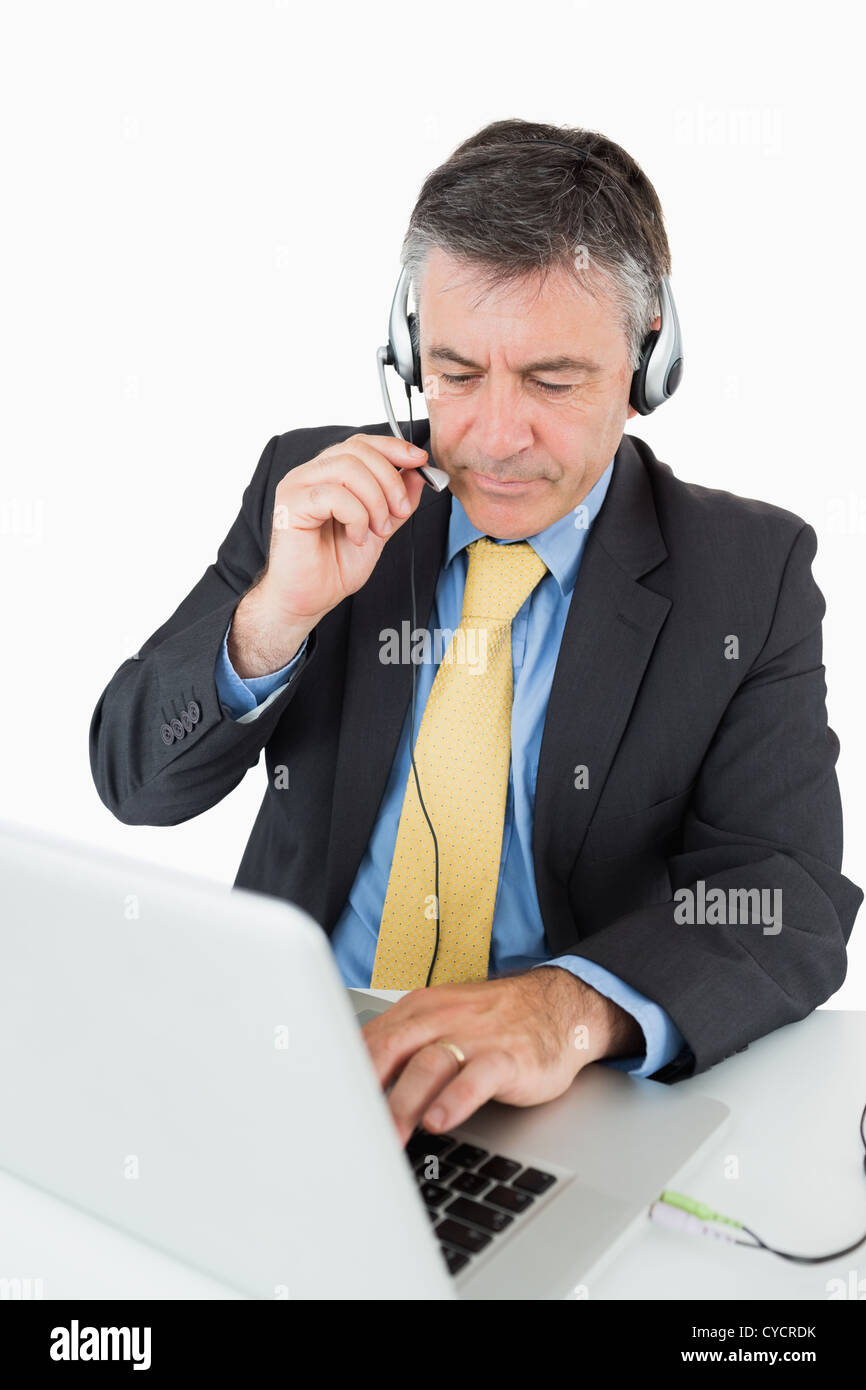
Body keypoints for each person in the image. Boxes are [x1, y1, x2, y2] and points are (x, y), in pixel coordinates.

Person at [90, 119, 861, 1147]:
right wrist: (272, 618)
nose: (494, 438)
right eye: (453, 375)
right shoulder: (312, 489)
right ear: (407, 352)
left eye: (550, 382)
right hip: (291, 1069)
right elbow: (132, 782)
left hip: (546, 1109)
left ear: (647, 363)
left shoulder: (744, 573)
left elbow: (782, 895)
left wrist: (571, 1003)